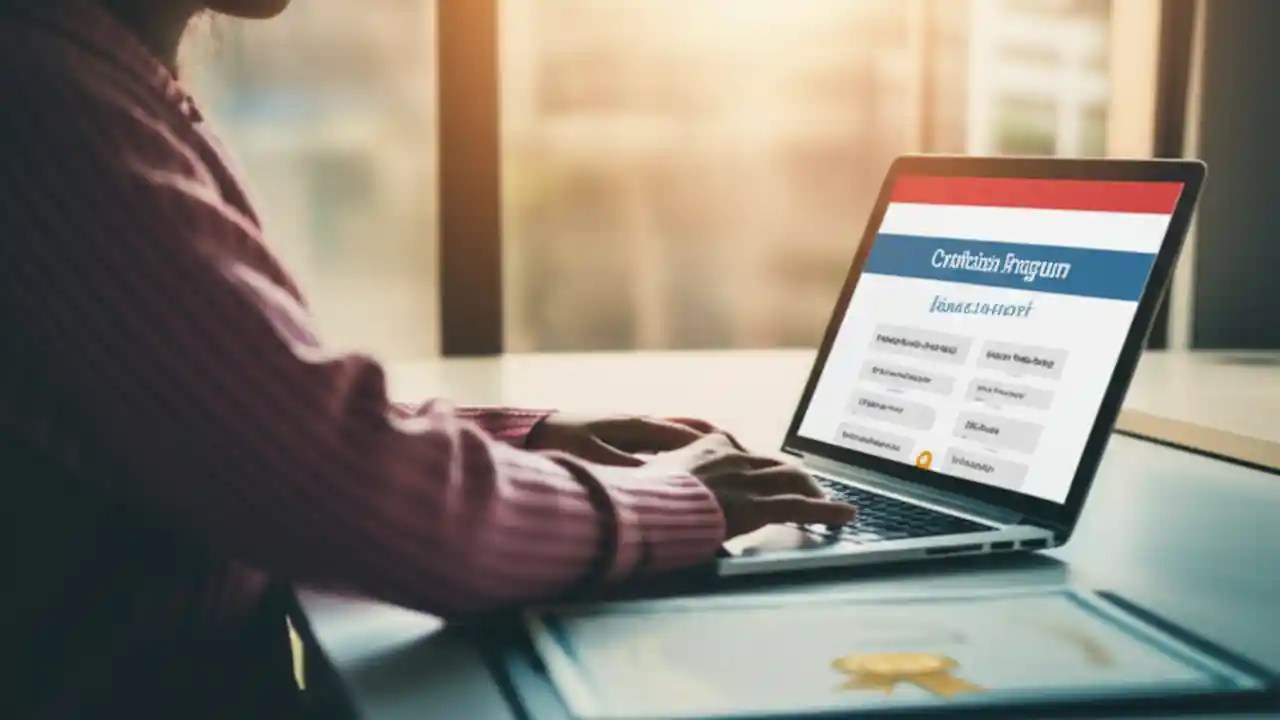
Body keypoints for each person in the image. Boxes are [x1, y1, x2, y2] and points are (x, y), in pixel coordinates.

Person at [0, 0, 856, 716]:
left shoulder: (84, 77)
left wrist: (523, 438)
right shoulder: (49, 111)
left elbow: (234, 418)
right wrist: (677, 501)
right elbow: (335, 490)